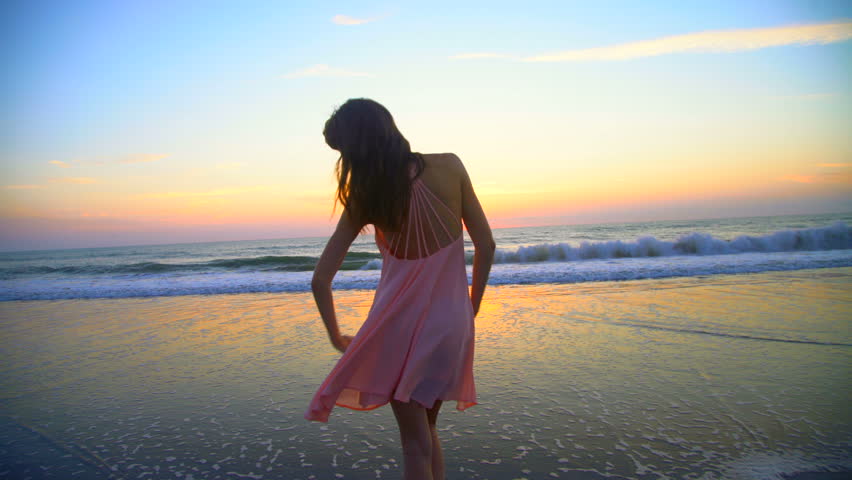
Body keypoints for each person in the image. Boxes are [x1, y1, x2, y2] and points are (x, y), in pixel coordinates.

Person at [304, 98, 495, 480]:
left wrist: (336, 336)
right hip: (452, 324)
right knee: (429, 429)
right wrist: (469, 309)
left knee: (413, 443)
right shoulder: (451, 166)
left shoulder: (366, 197)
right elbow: (486, 244)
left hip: (398, 330)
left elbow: (320, 280)